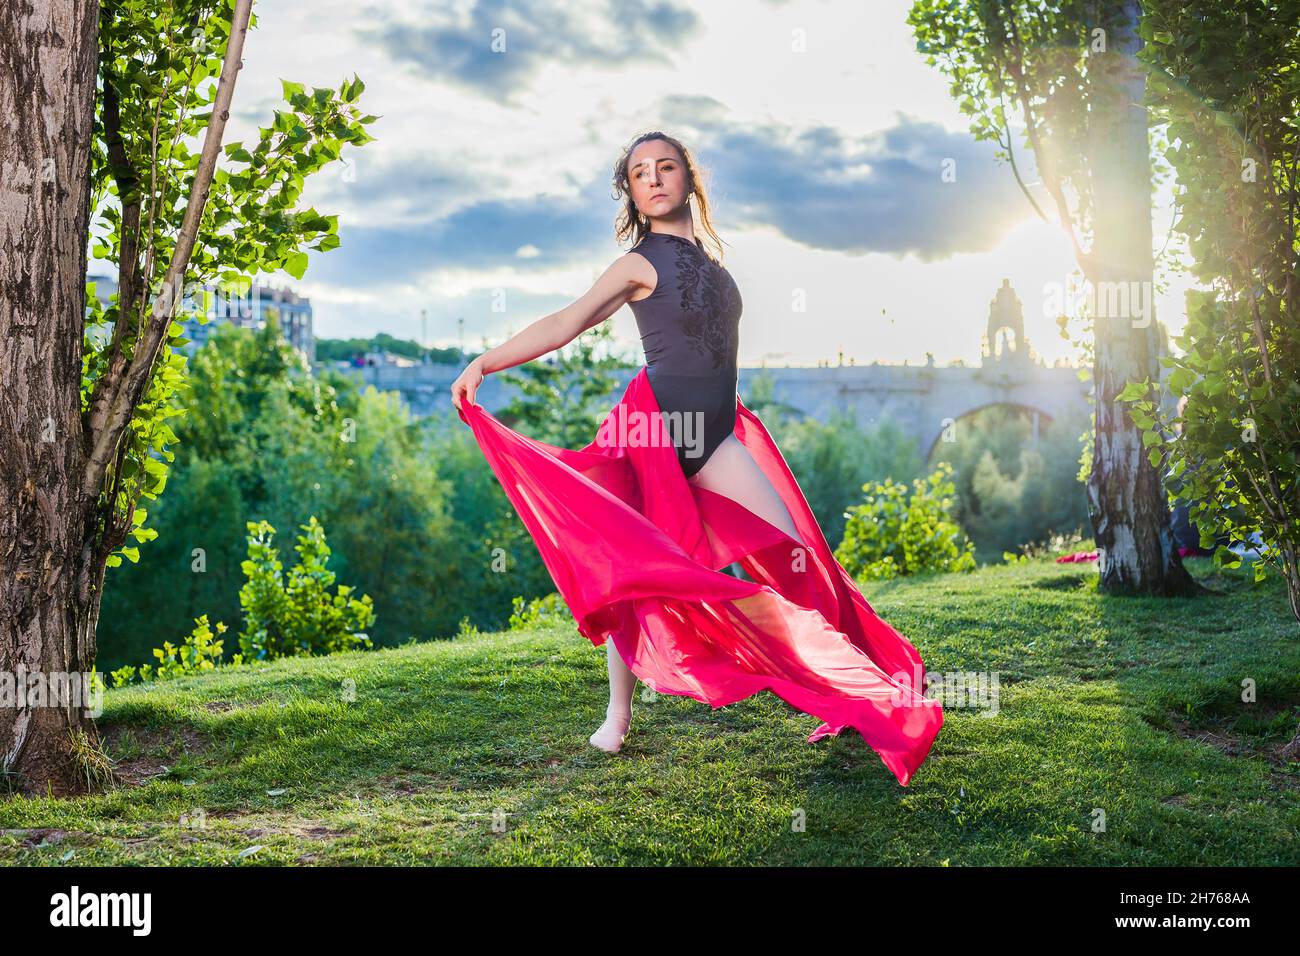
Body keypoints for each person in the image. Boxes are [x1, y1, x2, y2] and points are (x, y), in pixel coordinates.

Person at [451, 132, 942, 784]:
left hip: (713, 437)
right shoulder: (637, 264)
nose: (653, 179)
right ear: (630, 191)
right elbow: (567, 322)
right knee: (635, 567)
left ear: (689, 178)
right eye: (638, 173)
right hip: (652, 436)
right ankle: (618, 716)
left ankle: (844, 695)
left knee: (797, 556)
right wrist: (486, 361)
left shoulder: (711, 262)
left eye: (666, 167)